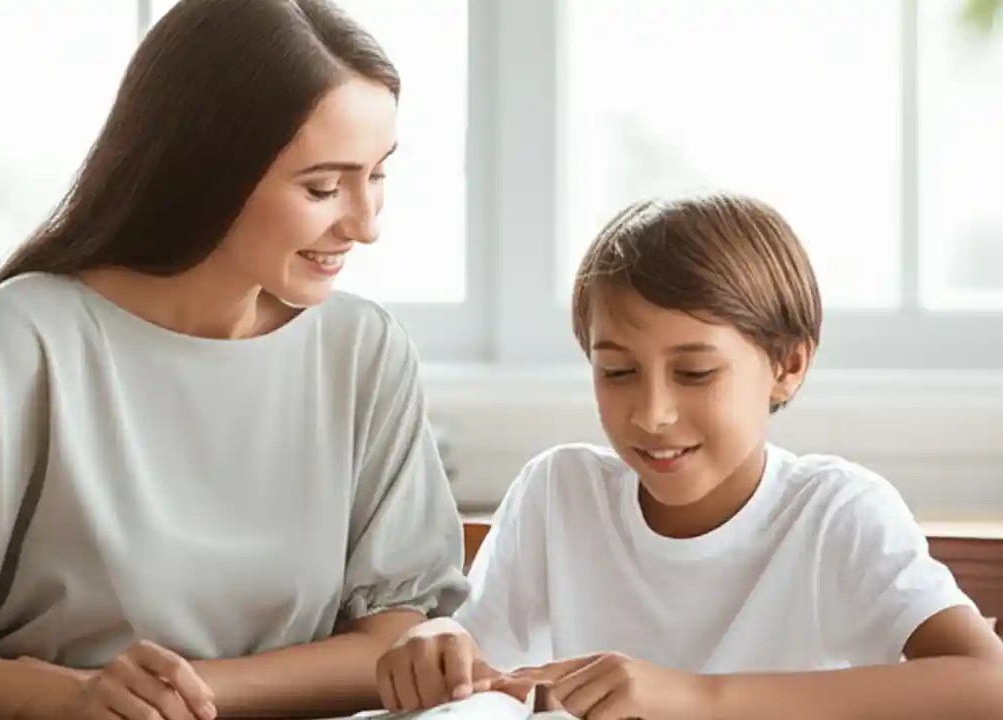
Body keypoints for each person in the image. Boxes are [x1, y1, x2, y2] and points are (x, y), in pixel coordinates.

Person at [0, 1, 469, 718]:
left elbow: (398, 638)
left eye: (377, 175)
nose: (366, 224)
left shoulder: (364, 352)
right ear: (207, 168)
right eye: (322, 187)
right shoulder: (13, 346)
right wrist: (70, 700)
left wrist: (176, 699)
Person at [376, 193, 1003, 719]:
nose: (652, 414)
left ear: (787, 366)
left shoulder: (836, 514)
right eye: (617, 371)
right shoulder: (557, 494)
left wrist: (697, 696)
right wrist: (440, 644)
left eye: (696, 373)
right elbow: (483, 664)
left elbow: (986, 683)